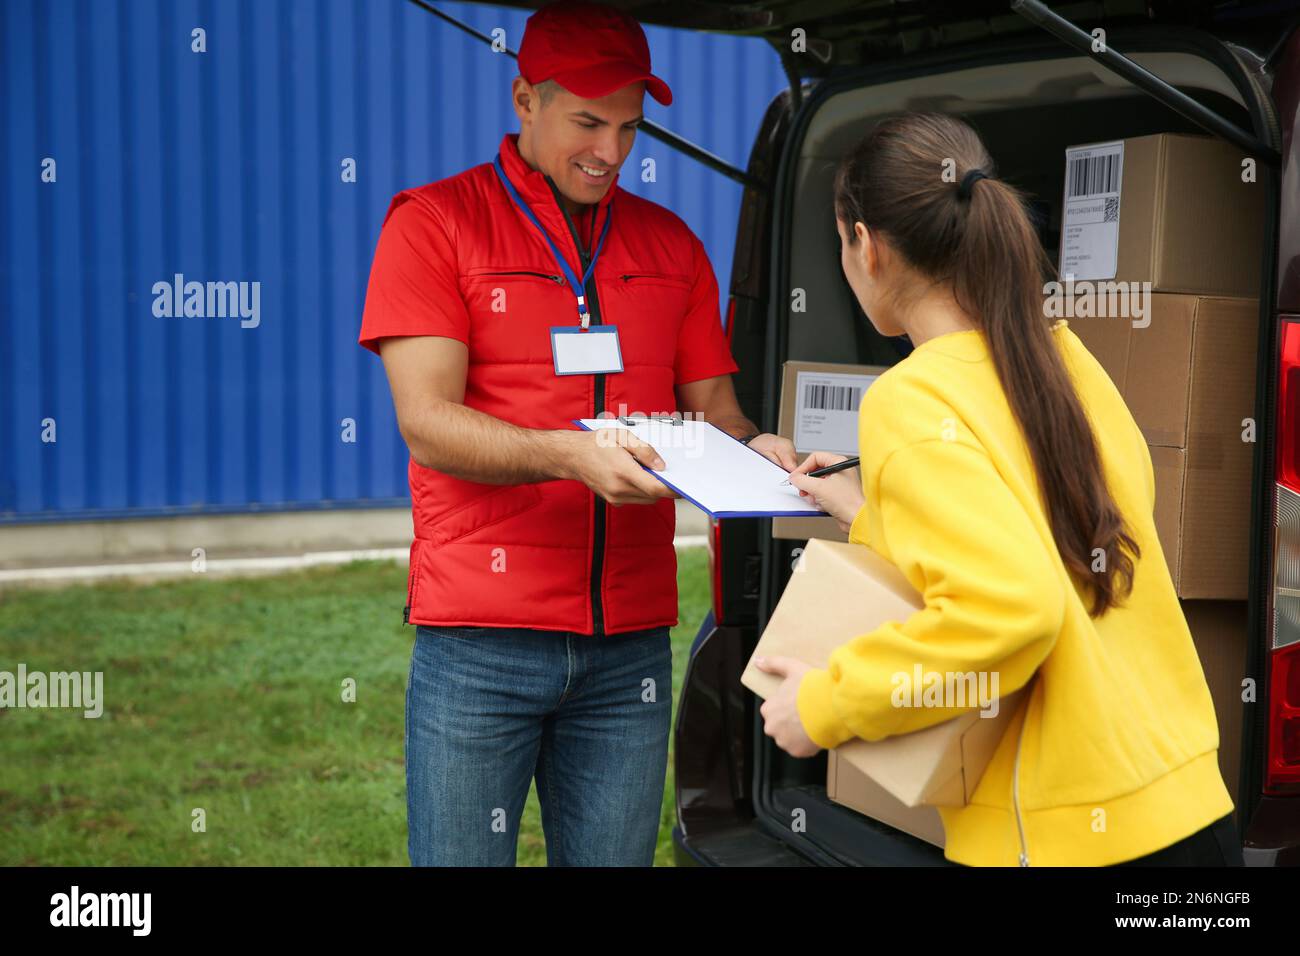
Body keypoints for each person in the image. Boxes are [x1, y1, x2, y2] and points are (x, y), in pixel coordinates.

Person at [357, 0, 795, 867]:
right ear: (524, 101)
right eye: (588, 122)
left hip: (627, 648)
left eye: (630, 128)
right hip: (481, 640)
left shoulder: (670, 244)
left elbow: (720, 415)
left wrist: (763, 452)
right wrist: (569, 454)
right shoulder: (435, 223)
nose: (611, 152)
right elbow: (428, 422)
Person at [754, 112, 1241, 867]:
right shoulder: (1059, 352)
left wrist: (823, 706)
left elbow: (1011, 608)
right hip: (1187, 815)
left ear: (865, 246)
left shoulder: (910, 399)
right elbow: (1071, 533)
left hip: (1064, 843)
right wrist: (871, 512)